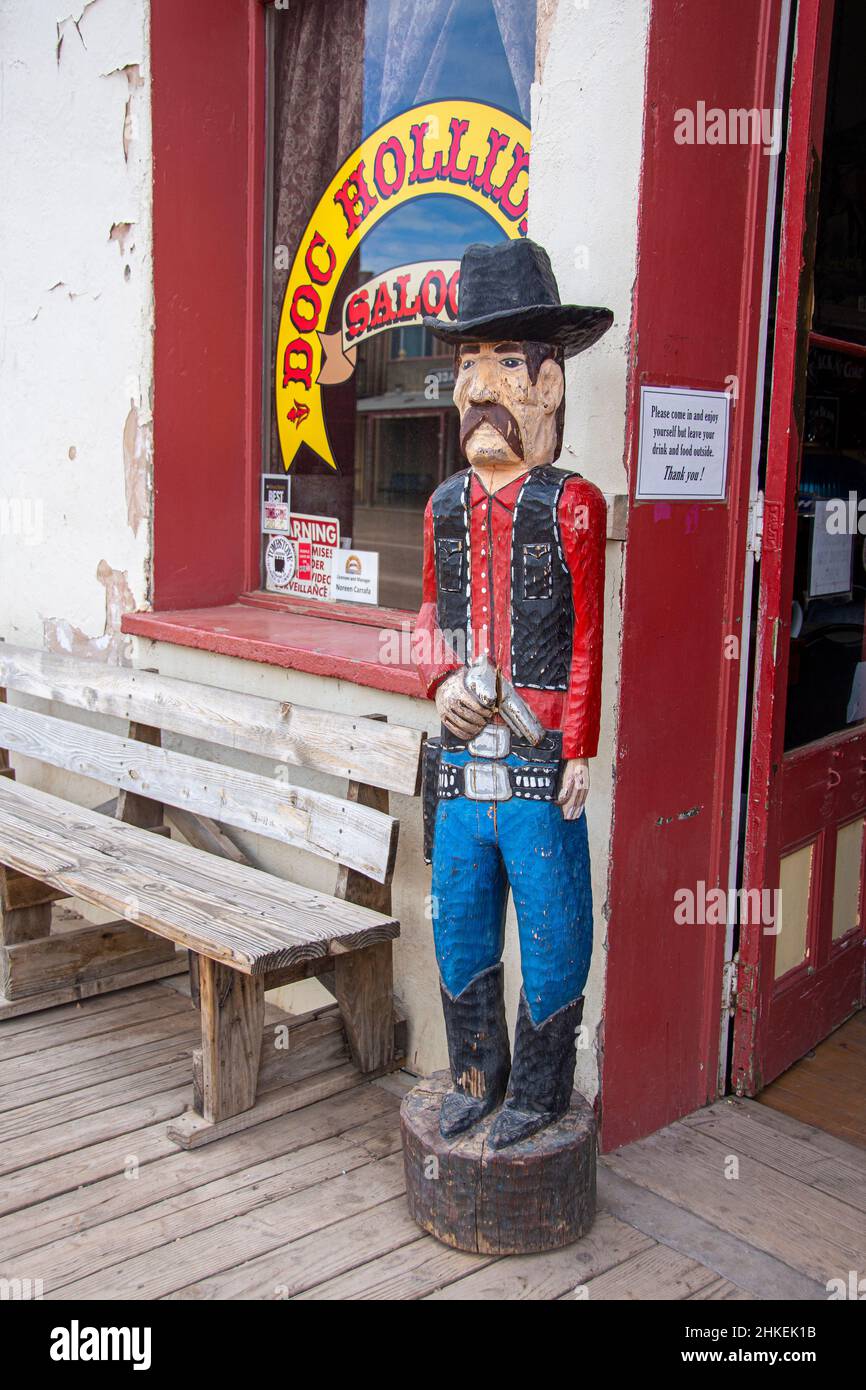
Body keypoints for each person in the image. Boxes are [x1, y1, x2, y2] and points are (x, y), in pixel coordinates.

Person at [414, 238, 612, 1148]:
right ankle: (472, 1075)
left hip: (537, 765)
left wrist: (579, 747)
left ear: (550, 384)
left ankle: (536, 1092)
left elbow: (586, 636)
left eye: (503, 362)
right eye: (467, 363)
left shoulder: (573, 505)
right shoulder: (443, 504)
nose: (480, 386)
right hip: (457, 765)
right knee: (457, 925)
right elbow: (427, 612)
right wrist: (441, 673)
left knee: (555, 931)